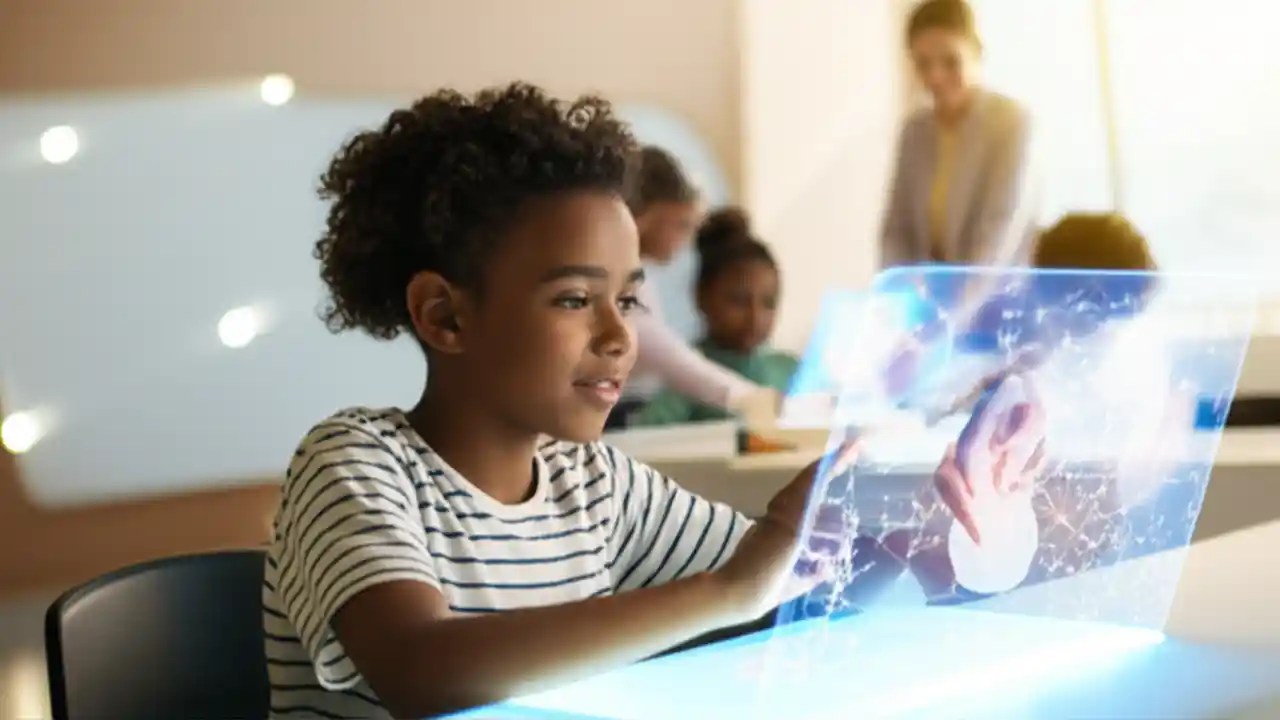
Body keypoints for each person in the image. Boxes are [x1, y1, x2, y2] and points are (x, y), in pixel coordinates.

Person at [261, 83, 855, 719]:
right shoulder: (355, 464)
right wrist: (729, 591)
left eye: (626, 301)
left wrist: (929, 538)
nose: (620, 336)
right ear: (445, 317)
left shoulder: (597, 482)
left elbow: (797, 581)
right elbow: (421, 672)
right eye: (575, 299)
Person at [619, 147, 780, 429]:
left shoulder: (641, 280)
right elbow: (673, 360)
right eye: (681, 225)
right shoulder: (621, 280)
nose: (684, 241)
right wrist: (749, 398)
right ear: (647, 214)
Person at [880, 0, 1041, 269]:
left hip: (999, 299)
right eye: (923, 64)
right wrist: (899, 297)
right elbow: (896, 230)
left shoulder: (1011, 123)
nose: (935, 77)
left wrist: (957, 308)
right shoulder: (914, 132)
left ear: (977, 52)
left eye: (950, 61)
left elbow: (997, 233)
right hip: (930, 298)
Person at [633, 208, 798, 426]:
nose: (755, 317)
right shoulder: (685, 380)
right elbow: (644, 439)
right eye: (739, 301)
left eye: (768, 303)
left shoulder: (792, 370)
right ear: (701, 297)